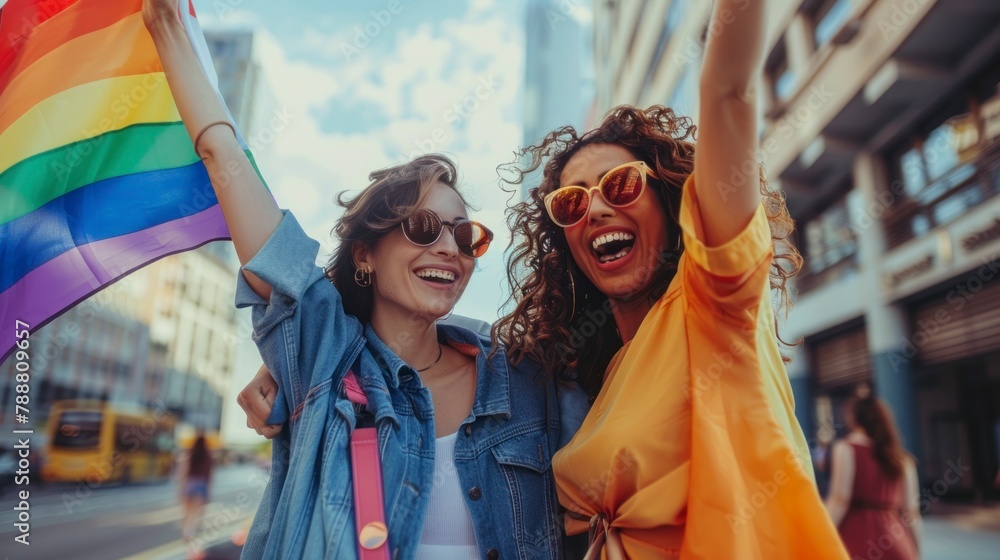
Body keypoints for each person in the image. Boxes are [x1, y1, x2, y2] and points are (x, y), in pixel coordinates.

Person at [142, 1, 587, 559]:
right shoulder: (322, 358)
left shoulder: (525, 374)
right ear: (366, 256)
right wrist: (168, 29)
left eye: (464, 235)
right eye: (424, 227)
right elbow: (221, 155)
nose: (449, 247)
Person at [824, 396, 921, 559]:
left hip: (855, 539)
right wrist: (915, 550)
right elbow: (911, 512)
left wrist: (822, 533)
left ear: (854, 418)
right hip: (897, 543)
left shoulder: (846, 448)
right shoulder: (903, 460)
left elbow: (840, 499)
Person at [178, 433, 213, 560]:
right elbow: (209, 477)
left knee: (187, 514)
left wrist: (181, 489)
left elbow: (183, 474)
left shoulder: (190, 455)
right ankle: (192, 541)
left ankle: (187, 535)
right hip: (200, 486)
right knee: (196, 515)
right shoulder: (208, 457)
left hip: (189, 485)